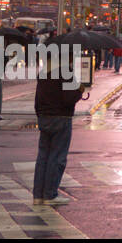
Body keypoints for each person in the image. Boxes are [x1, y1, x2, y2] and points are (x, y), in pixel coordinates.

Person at [32, 40, 86, 205]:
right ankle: (50, 194)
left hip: (44, 118)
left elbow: (37, 99)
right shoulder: (66, 72)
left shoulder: (44, 72)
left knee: (43, 157)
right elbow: (68, 99)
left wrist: (40, 115)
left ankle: (38, 195)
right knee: (57, 157)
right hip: (61, 118)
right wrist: (80, 91)